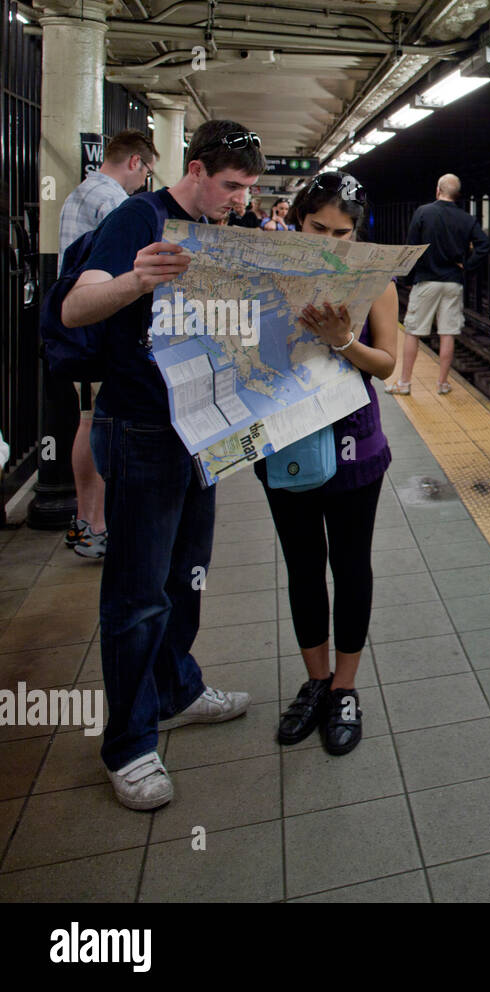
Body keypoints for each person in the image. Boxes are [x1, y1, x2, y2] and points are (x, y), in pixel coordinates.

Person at [60, 120, 266, 810]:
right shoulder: (138, 217)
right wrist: (136, 279)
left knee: (187, 574)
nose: (240, 199)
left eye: (249, 189)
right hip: (145, 426)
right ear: (198, 170)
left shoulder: (224, 228)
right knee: (138, 593)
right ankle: (129, 744)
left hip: (203, 426)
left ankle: (178, 687)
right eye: (231, 186)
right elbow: (76, 305)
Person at [258, 172, 397, 756]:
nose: (329, 241)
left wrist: (344, 339)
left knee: (350, 563)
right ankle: (314, 682)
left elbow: (387, 364)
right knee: (303, 565)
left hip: (352, 444)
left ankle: (344, 687)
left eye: (343, 232)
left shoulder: (374, 282)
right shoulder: (265, 276)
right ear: (295, 220)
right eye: (318, 228)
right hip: (285, 439)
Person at [56, 130, 158, 559]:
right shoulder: (120, 205)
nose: (145, 182)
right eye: (147, 171)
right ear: (134, 162)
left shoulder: (78, 194)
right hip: (100, 329)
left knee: (86, 418)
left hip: (78, 333)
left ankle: (85, 520)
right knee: (97, 422)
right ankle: (96, 523)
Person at [386, 173, 489, 396]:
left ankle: (404, 383)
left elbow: (411, 248)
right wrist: (468, 265)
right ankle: (442, 384)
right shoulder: (466, 219)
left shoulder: (424, 213)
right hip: (452, 282)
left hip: (426, 281)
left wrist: (408, 280)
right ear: (457, 194)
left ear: (437, 190)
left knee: (413, 332)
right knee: (447, 333)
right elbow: (484, 245)